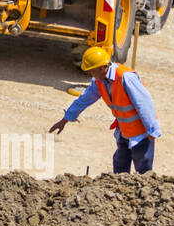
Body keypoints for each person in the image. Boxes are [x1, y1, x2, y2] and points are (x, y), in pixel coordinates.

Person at [49, 46, 162, 174]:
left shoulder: (125, 77)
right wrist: (66, 119)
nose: (90, 74)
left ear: (102, 68)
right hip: (124, 131)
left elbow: (144, 104)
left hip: (141, 134)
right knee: (119, 167)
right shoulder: (100, 81)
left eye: (92, 71)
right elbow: (85, 99)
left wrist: (153, 130)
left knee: (143, 172)